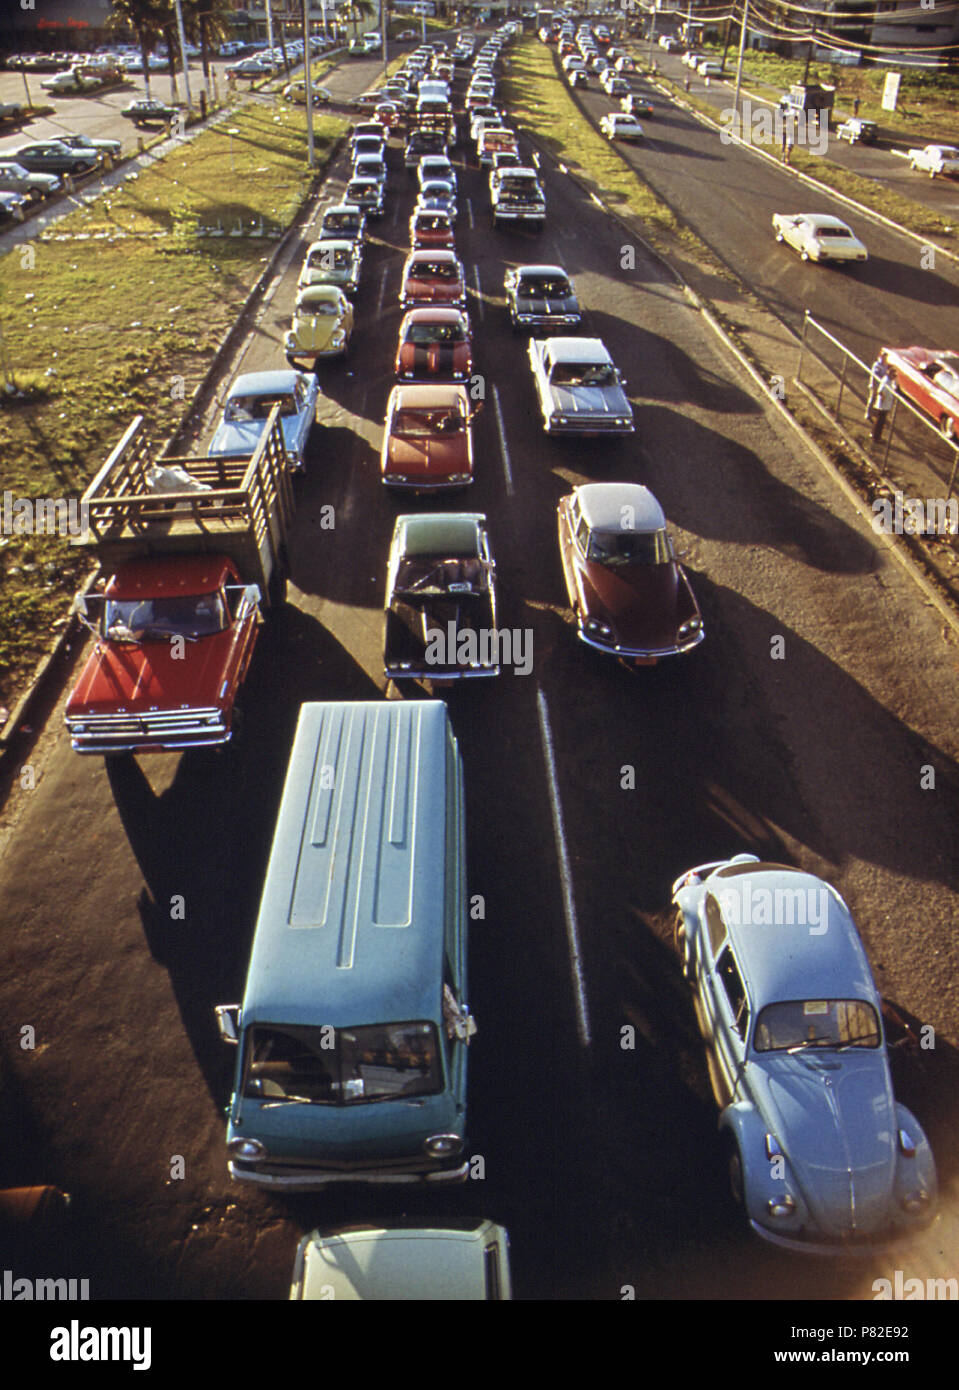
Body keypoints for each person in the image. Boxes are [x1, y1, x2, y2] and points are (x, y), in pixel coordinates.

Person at [866, 351, 894, 444]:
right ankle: (868, 414)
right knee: (879, 421)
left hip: (884, 404)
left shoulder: (886, 367)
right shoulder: (878, 366)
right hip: (877, 390)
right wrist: (882, 399)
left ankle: (874, 434)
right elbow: (880, 390)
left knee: (879, 421)